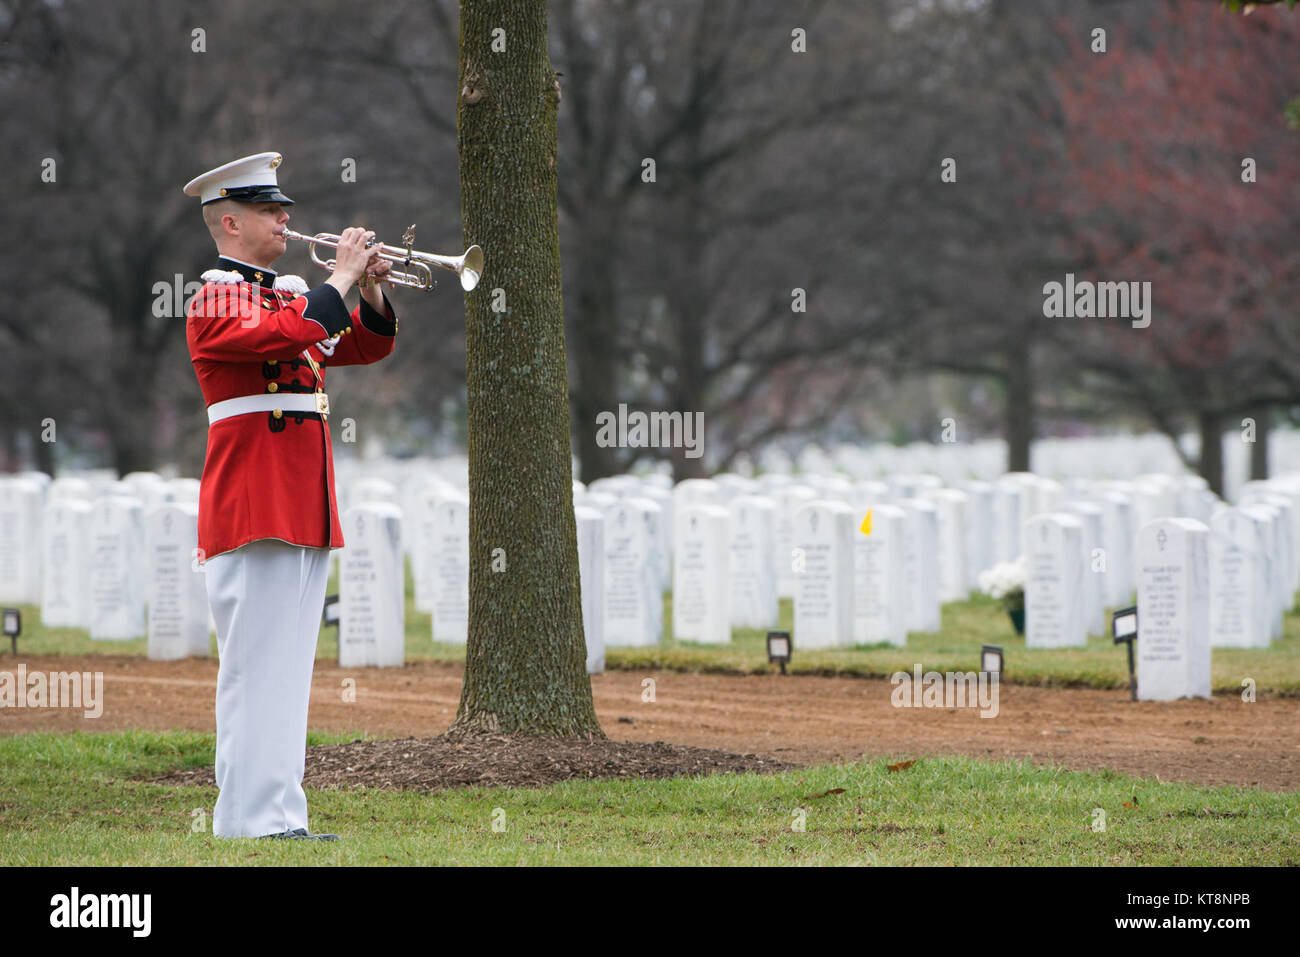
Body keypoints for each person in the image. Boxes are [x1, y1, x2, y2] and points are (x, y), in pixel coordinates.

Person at [183, 152, 399, 840]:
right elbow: (292, 332)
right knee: (254, 669)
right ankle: (245, 819)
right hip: (253, 507)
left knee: (286, 675)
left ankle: (279, 815)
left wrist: (367, 291)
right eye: (271, 210)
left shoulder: (285, 293)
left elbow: (357, 347)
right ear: (230, 221)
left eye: (284, 209)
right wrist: (337, 274)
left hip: (301, 504)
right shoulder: (215, 297)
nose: (285, 219)